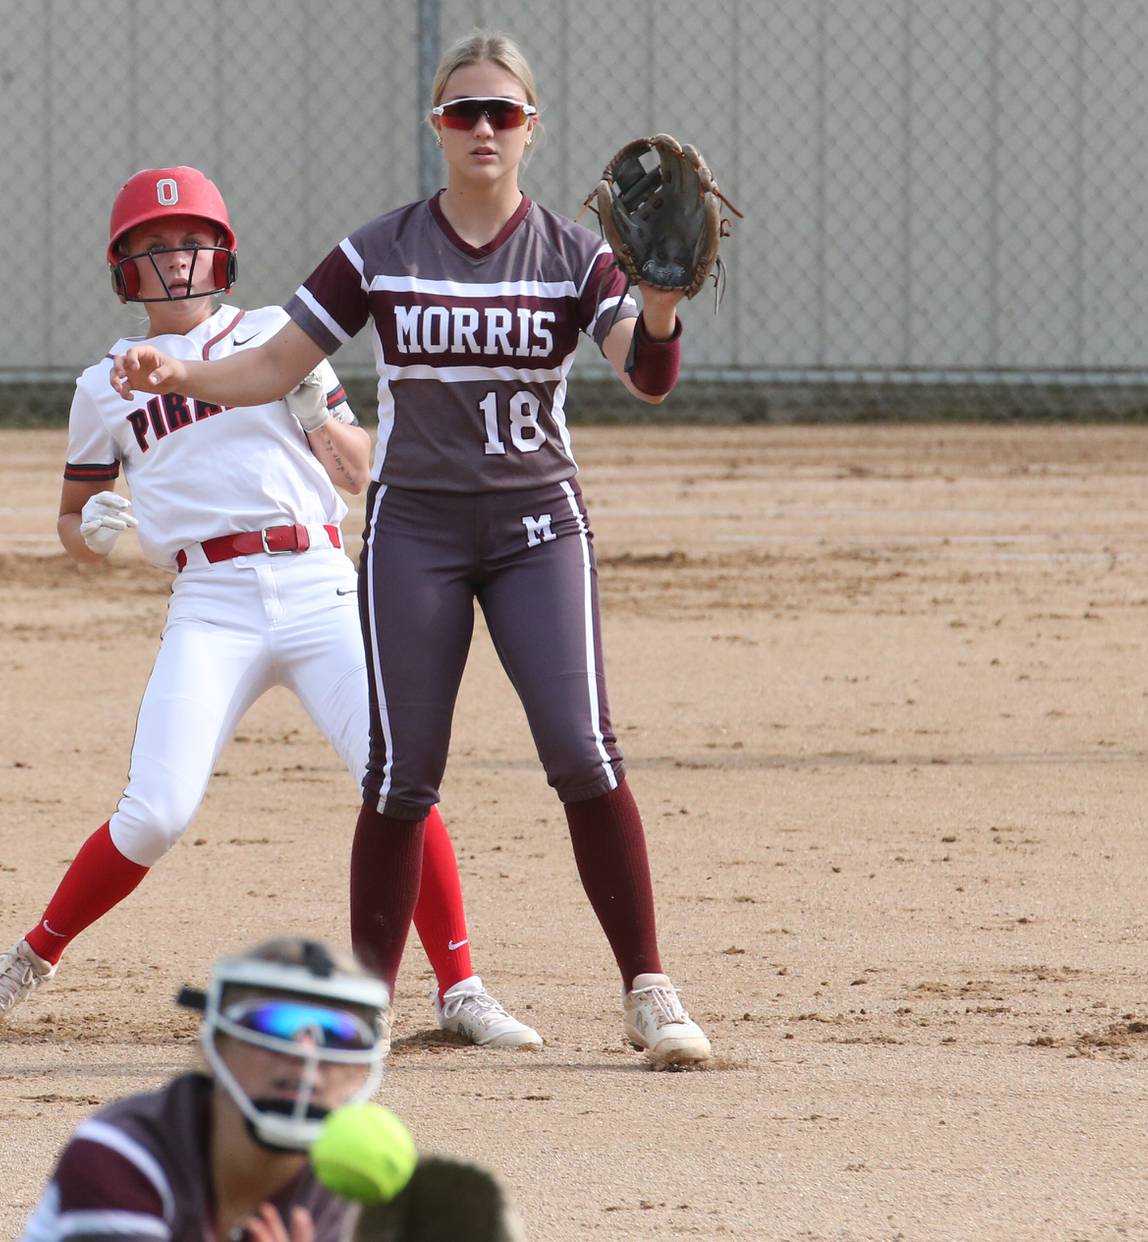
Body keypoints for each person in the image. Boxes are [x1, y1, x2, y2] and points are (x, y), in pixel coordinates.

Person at [111, 33, 710, 1066]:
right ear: (436, 128)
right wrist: (176, 375)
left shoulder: (575, 255)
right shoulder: (377, 250)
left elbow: (645, 377)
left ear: (532, 129)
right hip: (416, 529)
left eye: (503, 113)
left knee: (582, 749)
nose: (483, 128)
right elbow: (270, 367)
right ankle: (366, 1010)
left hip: (536, 528)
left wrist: (657, 305)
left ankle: (648, 992)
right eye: (463, 112)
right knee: (400, 773)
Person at [0, 165, 538, 1051]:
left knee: (398, 779)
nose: (174, 260)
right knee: (156, 813)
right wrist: (91, 533)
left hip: (316, 581)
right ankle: (33, 954)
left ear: (220, 253)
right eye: (152, 246)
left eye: (188, 242)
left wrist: (320, 418)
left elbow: (366, 473)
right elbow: (73, 522)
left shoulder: (274, 336)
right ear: (122, 267)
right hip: (210, 601)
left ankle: (462, 987)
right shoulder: (103, 385)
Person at [20, 937, 388, 1242]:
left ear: (359, 1069)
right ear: (218, 1045)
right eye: (273, 1023)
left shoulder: (350, 1184)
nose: (303, 1053)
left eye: (339, 1034)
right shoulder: (123, 1154)